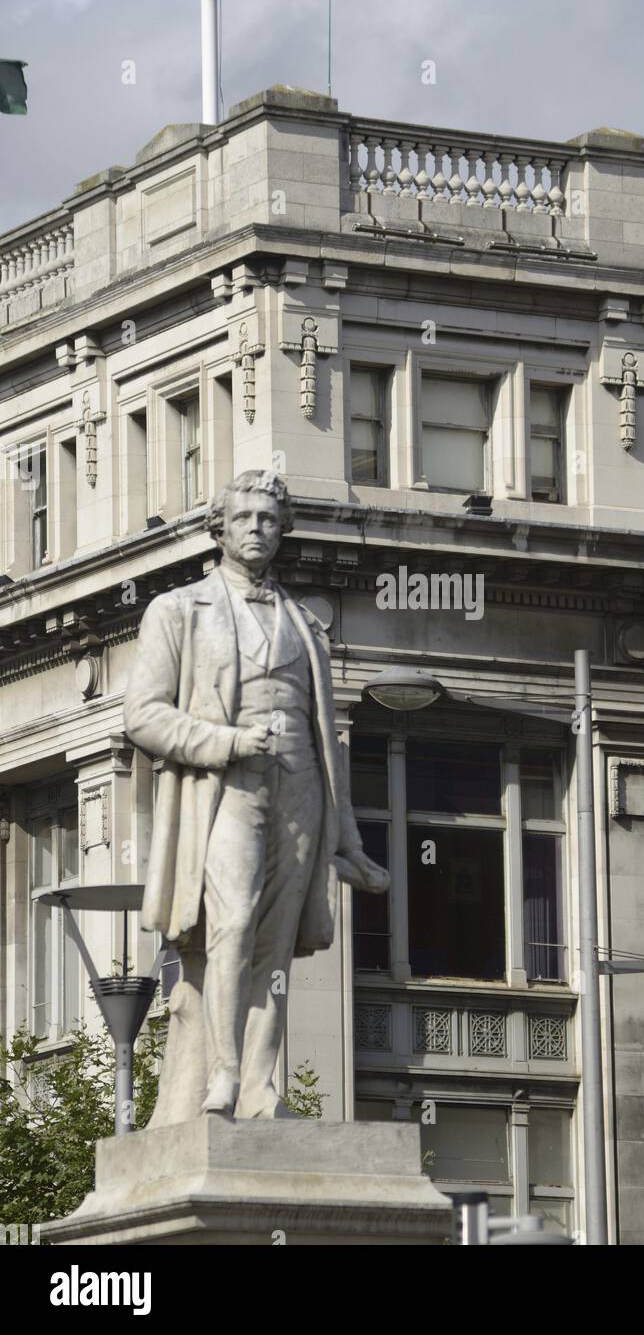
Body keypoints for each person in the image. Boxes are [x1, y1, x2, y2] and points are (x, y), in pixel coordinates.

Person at [123, 469, 387, 1122]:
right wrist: (226, 742)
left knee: (276, 944)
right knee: (232, 924)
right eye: (243, 518)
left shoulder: (305, 627)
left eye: (268, 519)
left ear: (282, 529)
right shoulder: (179, 610)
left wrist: (345, 836)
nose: (256, 530)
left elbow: (330, 743)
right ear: (219, 528)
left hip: (298, 789)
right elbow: (144, 715)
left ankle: (263, 1089)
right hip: (224, 790)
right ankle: (224, 1075)